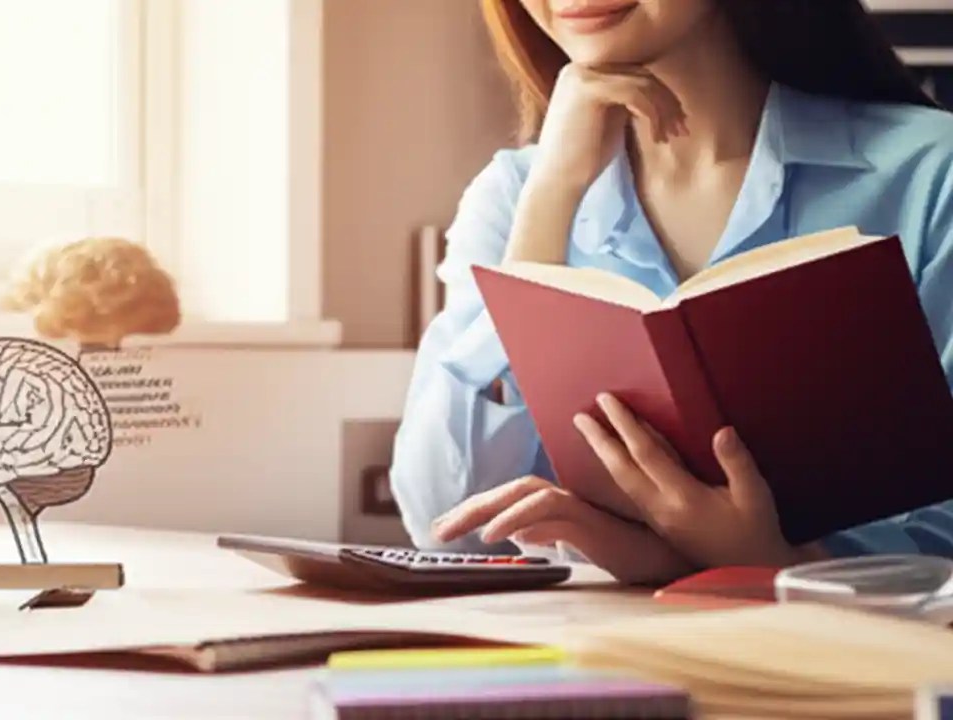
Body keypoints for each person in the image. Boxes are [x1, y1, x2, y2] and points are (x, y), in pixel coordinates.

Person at [389, 0, 953, 585]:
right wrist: (550, 199)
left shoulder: (933, 174)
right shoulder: (515, 196)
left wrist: (768, 563)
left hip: (857, 663)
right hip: (581, 657)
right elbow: (444, 523)